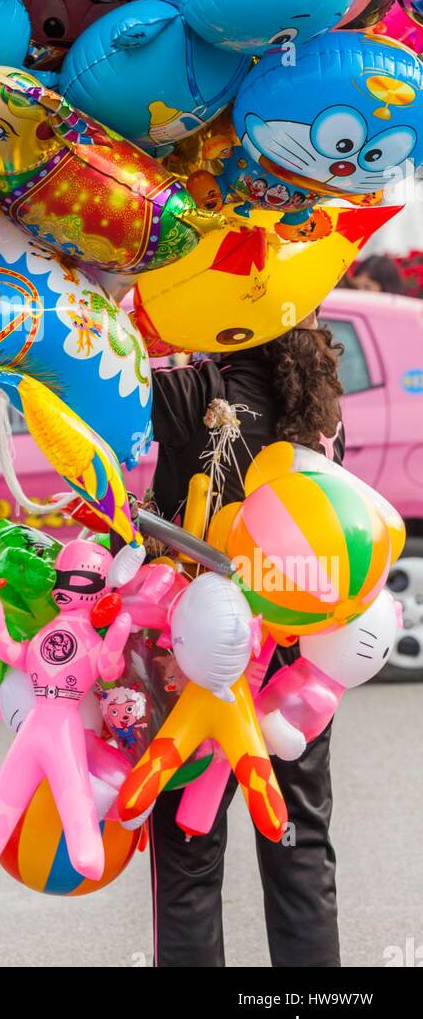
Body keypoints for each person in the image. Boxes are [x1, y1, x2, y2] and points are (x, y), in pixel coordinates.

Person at [147, 314, 345, 968]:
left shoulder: (198, 391)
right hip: (296, 649)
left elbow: (99, 385)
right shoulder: (320, 402)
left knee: (188, 850)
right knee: (300, 842)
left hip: (201, 642)